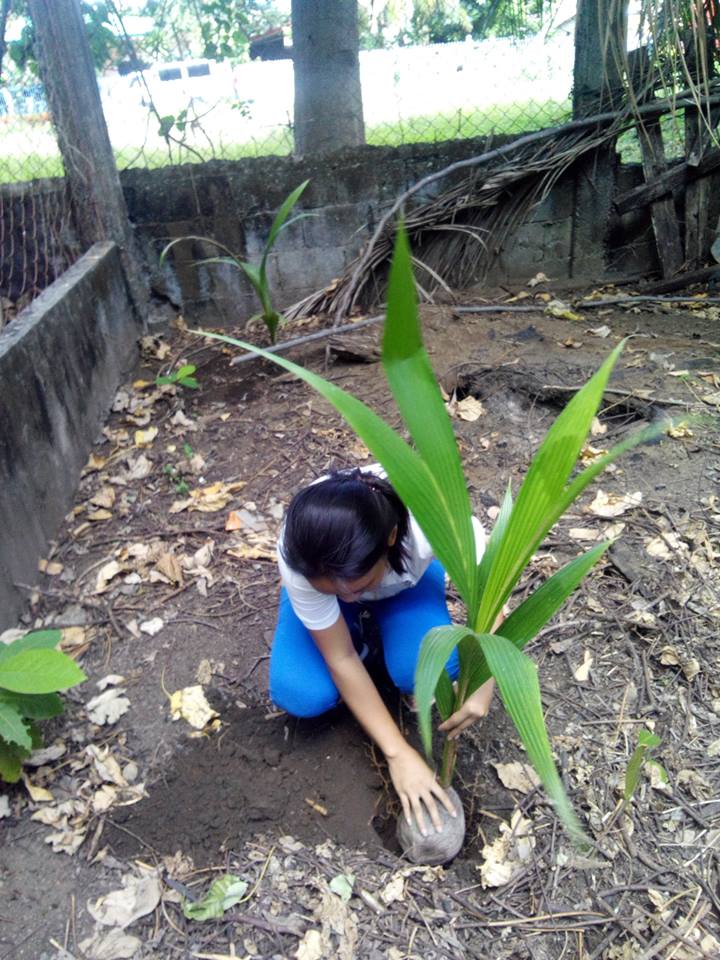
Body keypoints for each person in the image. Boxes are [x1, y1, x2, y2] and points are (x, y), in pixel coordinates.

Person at [270, 465, 496, 838]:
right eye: (331, 590)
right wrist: (398, 752)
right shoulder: (302, 555)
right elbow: (339, 657)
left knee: (423, 668)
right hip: (332, 597)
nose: (348, 595)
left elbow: (492, 600)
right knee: (300, 692)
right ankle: (356, 628)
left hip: (406, 585)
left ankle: (382, 625)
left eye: (357, 585)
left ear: (392, 537)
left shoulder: (434, 522)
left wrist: (486, 675)